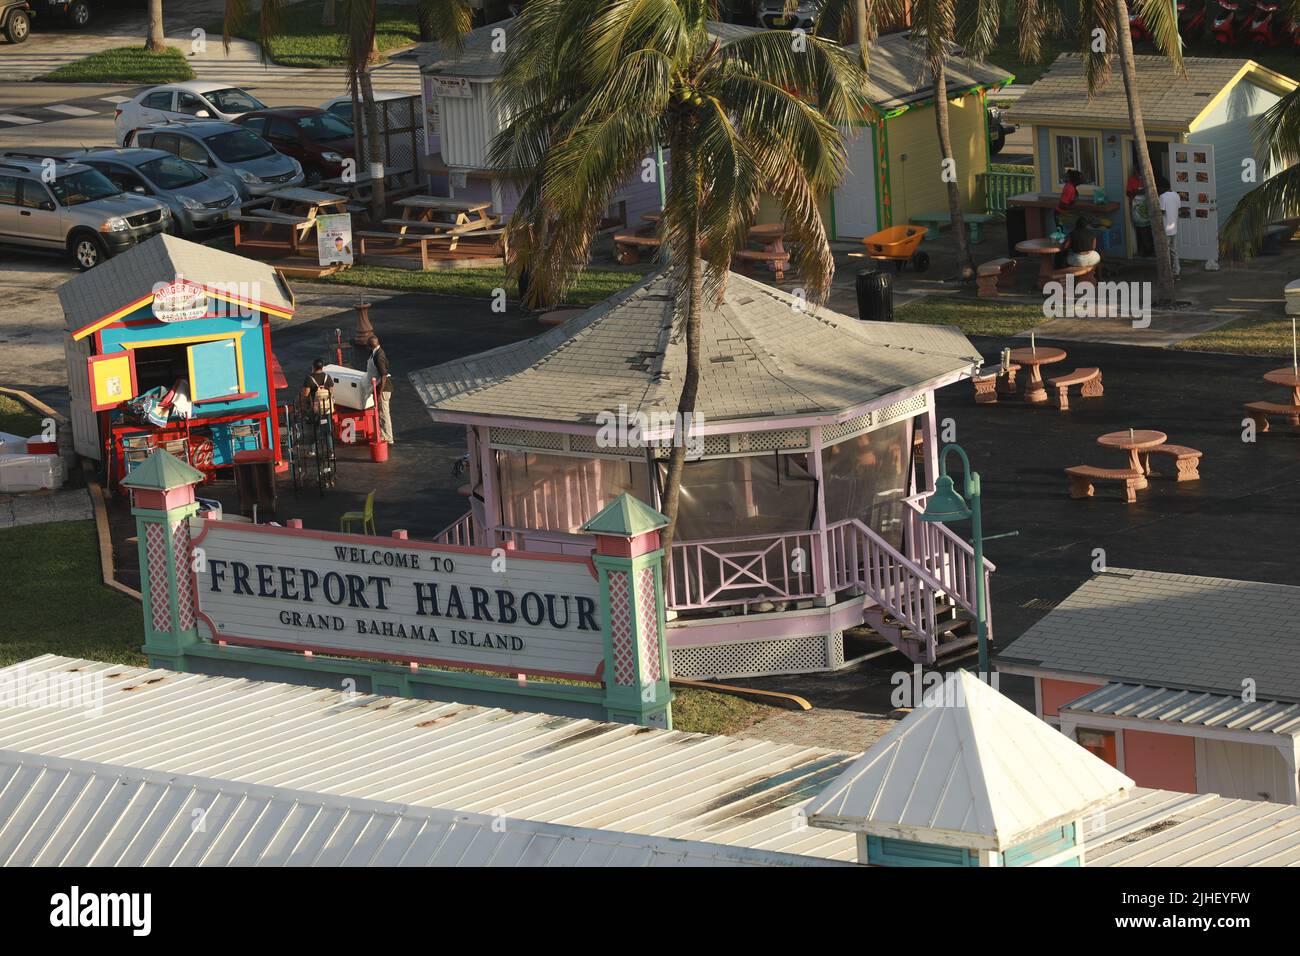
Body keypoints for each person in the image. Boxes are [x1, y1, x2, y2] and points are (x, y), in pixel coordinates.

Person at [366, 335, 394, 445]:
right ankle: (384, 434)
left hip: (383, 389)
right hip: (379, 387)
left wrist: (379, 392)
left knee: (384, 414)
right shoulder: (376, 353)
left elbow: (384, 375)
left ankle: (388, 437)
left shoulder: (379, 356)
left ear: (371, 345)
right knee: (381, 413)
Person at [1156, 175, 1181, 279]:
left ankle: (1168, 273)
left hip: (1165, 229)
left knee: (1165, 253)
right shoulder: (1176, 195)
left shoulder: (1163, 197)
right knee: (1174, 251)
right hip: (1174, 228)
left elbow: (1161, 211)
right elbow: (1178, 208)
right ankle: (1177, 271)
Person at [1130, 182, 1154, 257]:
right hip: (1140, 215)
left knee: (1147, 232)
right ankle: (1147, 250)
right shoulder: (1132, 180)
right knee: (1143, 233)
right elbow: (1129, 193)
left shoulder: (1146, 180)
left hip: (1146, 214)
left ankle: (1149, 250)